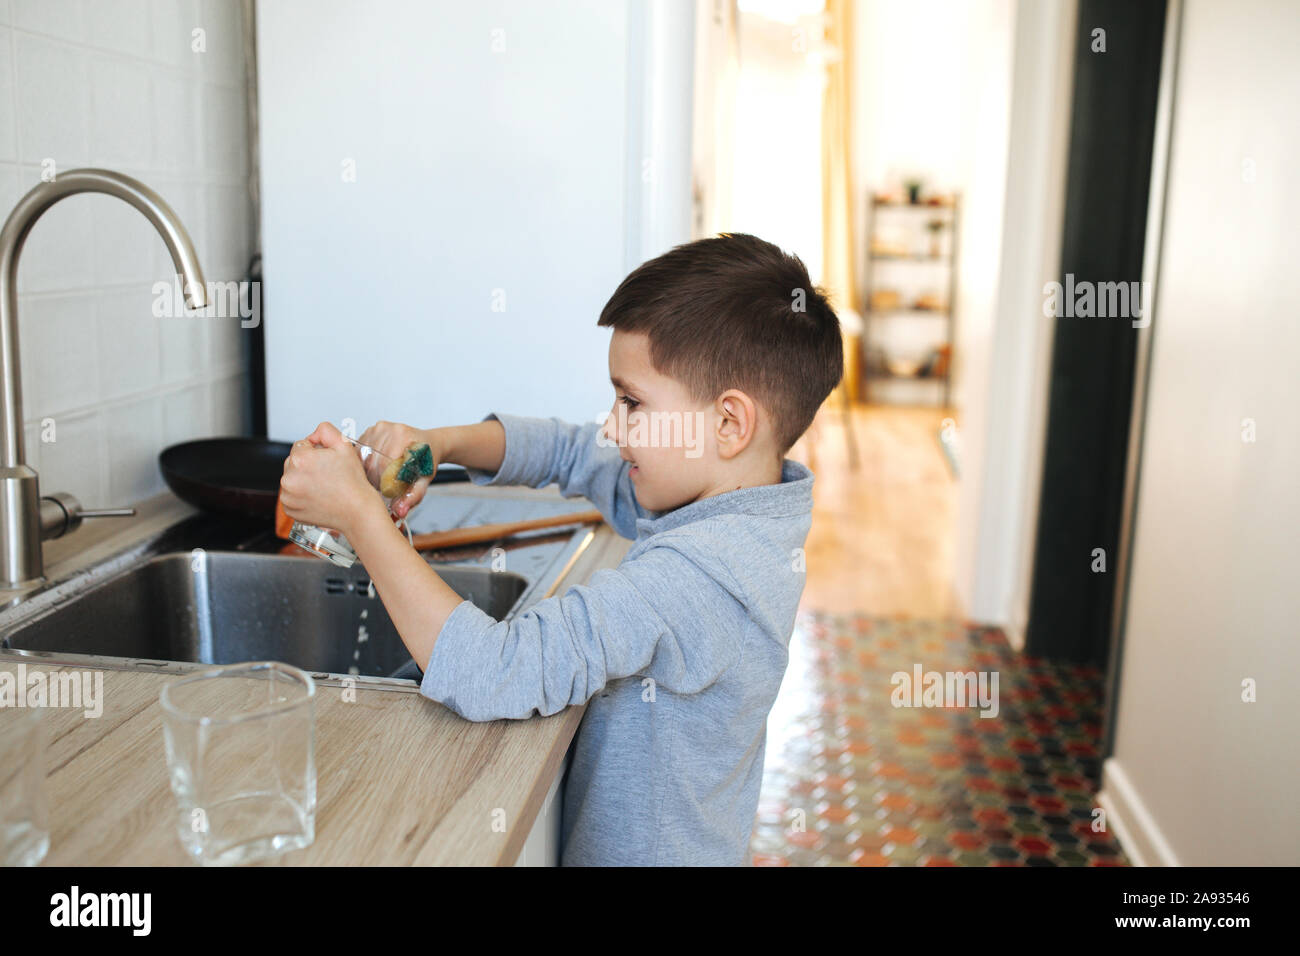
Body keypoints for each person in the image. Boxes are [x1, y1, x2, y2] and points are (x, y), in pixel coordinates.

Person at [280, 233, 844, 865]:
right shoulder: (733, 504)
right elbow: (572, 451)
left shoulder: (699, 577)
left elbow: (494, 670)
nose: (612, 425)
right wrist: (441, 444)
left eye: (631, 402)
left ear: (730, 424)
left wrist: (361, 517)